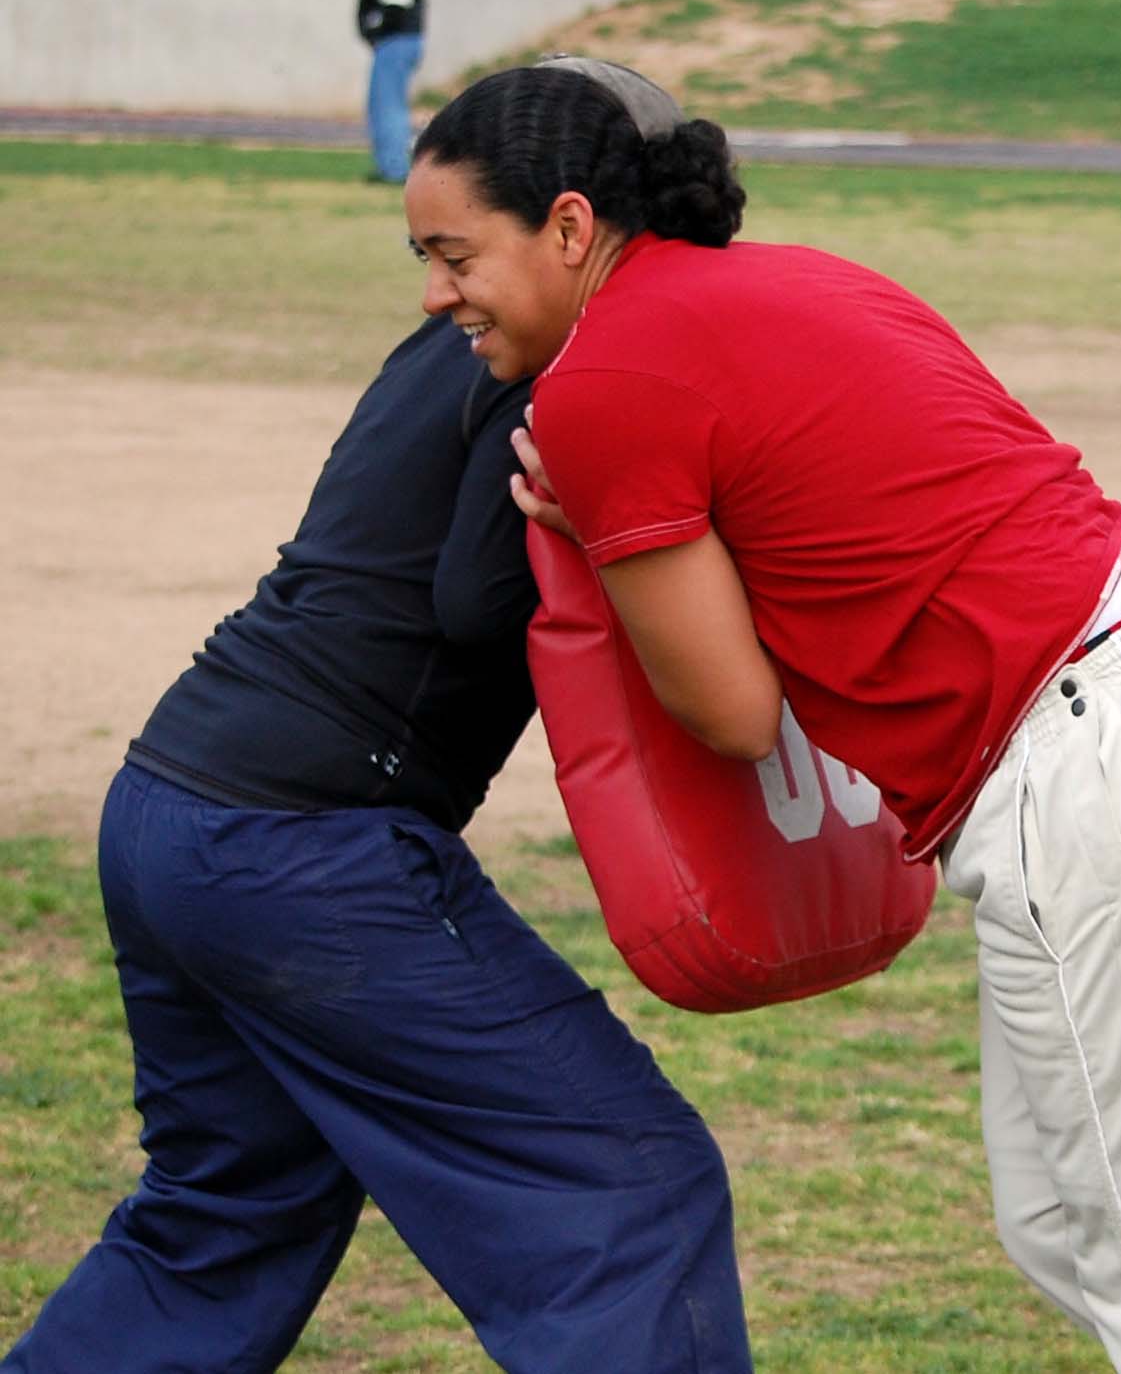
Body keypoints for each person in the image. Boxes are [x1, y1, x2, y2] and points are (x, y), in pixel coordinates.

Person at [401, 57, 1121, 1374]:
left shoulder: (602, 388)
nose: (436, 296)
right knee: (1074, 1223)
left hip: (1114, 744)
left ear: (571, 226)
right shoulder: (801, 275)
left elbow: (733, 713)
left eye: (452, 253)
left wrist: (604, 525)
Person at [1, 308, 754, 1373]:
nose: (450, 289)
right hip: (304, 845)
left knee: (227, 1211)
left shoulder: (451, 342)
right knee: (636, 1189)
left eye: (455, 255)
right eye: (439, 261)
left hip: (170, 800)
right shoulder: (572, 359)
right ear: (575, 220)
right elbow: (476, 598)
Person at [355, 0, 425, 183]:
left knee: (389, 106)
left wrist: (374, 29)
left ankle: (395, 168)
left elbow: (395, 10)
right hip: (391, 43)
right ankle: (389, 165)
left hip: (396, 42)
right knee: (383, 105)